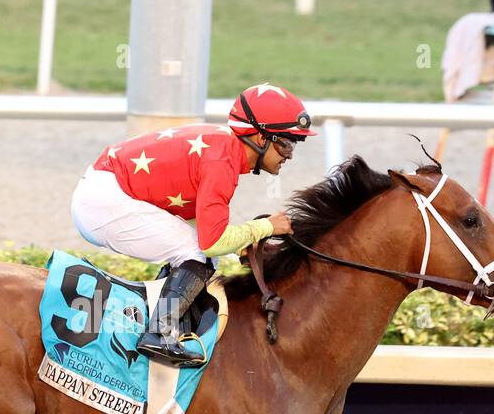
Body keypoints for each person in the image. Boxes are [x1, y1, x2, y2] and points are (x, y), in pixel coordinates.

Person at [71, 83, 314, 367]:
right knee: (197, 252)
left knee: (202, 253)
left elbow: (207, 227)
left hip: (105, 191)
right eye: (285, 143)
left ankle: (169, 321)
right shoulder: (222, 160)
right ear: (260, 138)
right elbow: (210, 241)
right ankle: (159, 334)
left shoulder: (224, 148)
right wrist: (266, 228)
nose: (290, 154)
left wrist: (239, 249)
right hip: (104, 203)